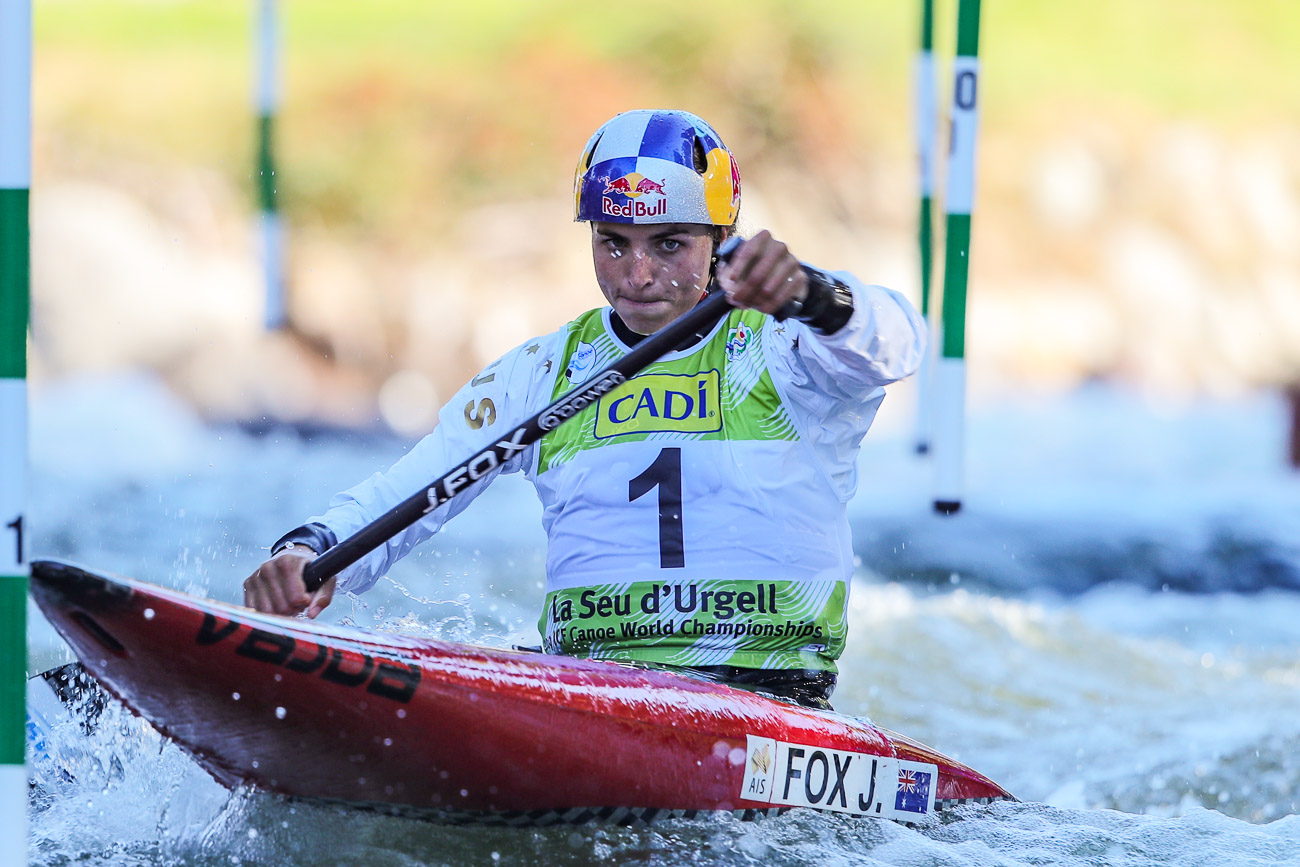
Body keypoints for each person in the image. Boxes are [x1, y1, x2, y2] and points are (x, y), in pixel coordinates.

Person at [243, 109, 925, 709]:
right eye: (612, 242)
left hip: (767, 697)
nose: (637, 275)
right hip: (592, 690)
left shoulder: (787, 346)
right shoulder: (545, 370)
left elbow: (899, 341)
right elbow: (411, 486)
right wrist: (310, 552)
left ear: (721, 238)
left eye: (669, 244)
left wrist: (810, 293)